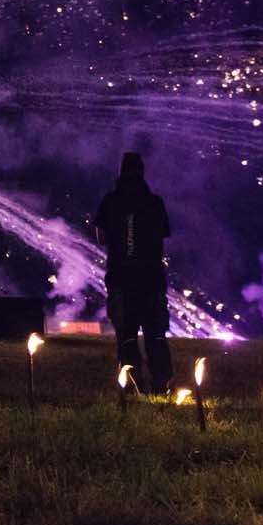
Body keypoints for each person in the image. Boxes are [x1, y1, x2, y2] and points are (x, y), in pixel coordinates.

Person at [95, 152, 173, 394]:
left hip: (121, 278)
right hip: (151, 278)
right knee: (156, 335)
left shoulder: (111, 200)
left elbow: (101, 237)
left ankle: (133, 385)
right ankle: (161, 385)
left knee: (126, 335)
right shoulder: (155, 202)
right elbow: (161, 239)